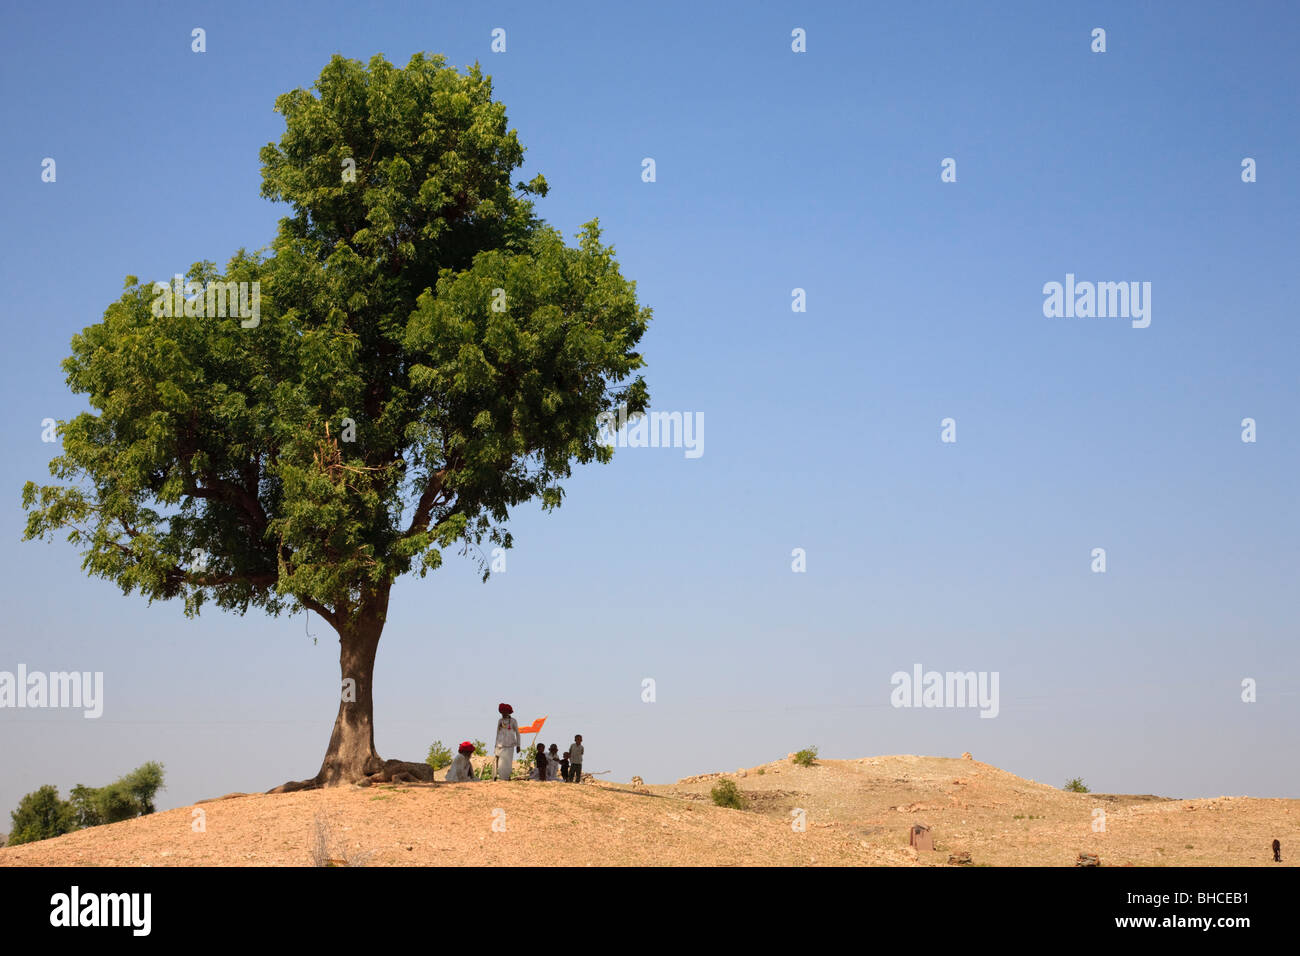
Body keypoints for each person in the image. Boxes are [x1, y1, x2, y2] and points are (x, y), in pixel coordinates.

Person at [494, 703, 520, 780]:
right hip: (500, 745)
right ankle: (500, 777)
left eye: (505, 712)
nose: (503, 713)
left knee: (507, 763)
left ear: (508, 712)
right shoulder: (500, 721)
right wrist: (495, 745)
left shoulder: (513, 721)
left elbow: (517, 733)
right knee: (500, 763)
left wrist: (518, 745)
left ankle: (507, 777)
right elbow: (497, 734)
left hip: (510, 745)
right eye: (502, 712)